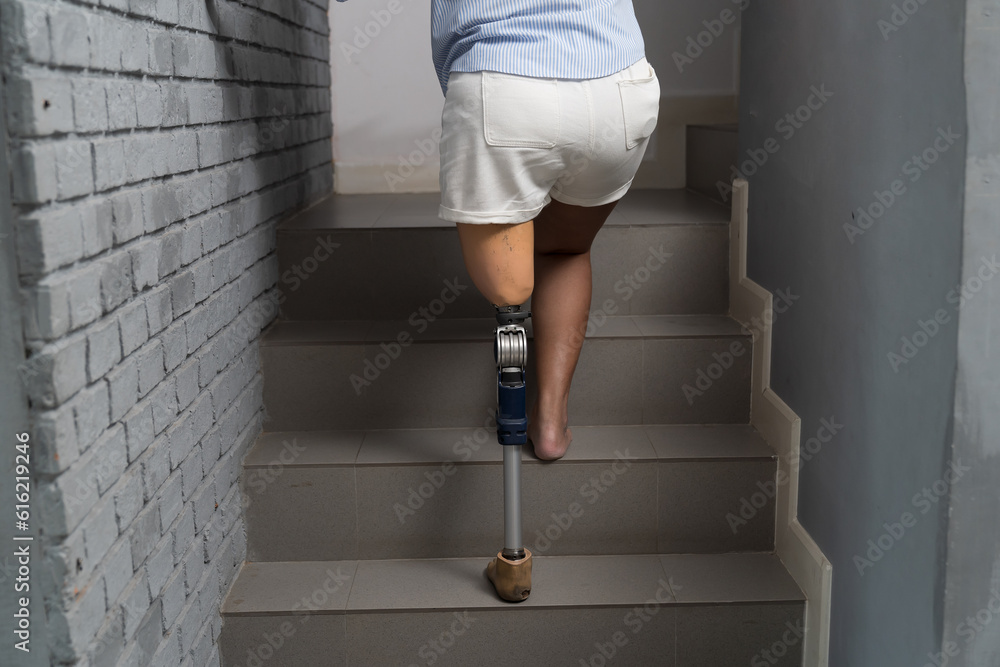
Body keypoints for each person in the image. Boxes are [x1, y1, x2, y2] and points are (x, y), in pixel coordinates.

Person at [339, 1, 660, 461]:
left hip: (506, 86)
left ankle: (515, 345)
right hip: (621, 90)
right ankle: (550, 423)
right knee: (565, 250)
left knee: (509, 293)